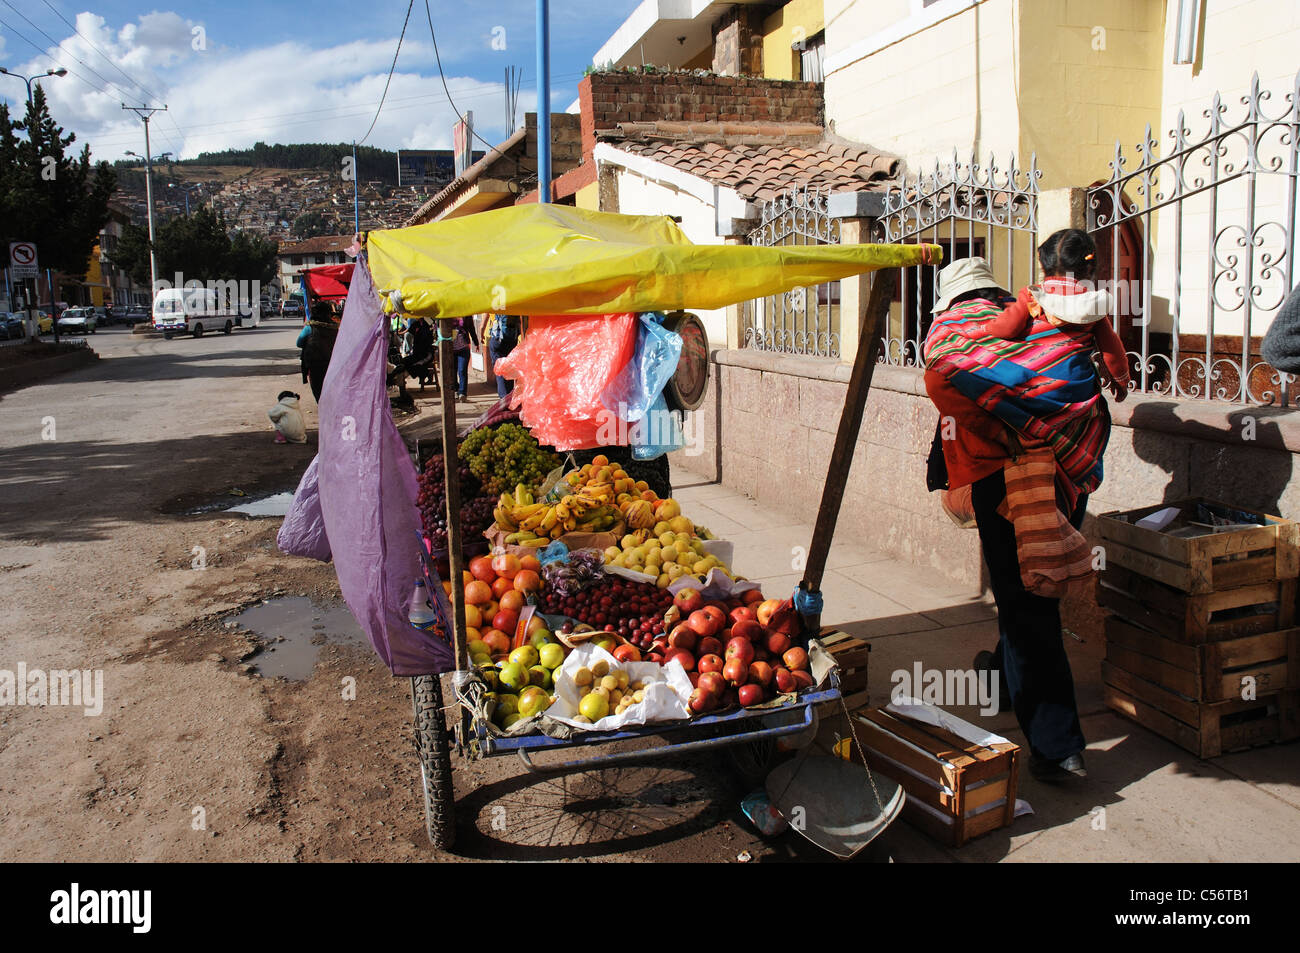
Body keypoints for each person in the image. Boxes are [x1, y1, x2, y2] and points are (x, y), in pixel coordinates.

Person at [923, 256, 1097, 783]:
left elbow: (944, 388)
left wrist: (1006, 439)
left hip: (1009, 480)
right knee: (1023, 592)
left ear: (950, 298)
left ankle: (1058, 747)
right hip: (1070, 468)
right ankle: (999, 679)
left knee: (1029, 605)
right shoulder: (1044, 319)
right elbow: (1086, 383)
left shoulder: (951, 336)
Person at [298, 301, 339, 403]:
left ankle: (322, 407)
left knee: (318, 389)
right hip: (332, 363)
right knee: (331, 388)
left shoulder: (310, 327)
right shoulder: (335, 328)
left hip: (315, 364)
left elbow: (299, 343)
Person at [486, 314, 520, 397]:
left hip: (497, 341)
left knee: (500, 369)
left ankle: (504, 397)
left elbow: (483, 322)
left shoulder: (494, 305)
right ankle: (509, 396)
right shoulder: (513, 306)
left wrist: (482, 329)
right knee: (509, 367)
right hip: (512, 340)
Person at [452, 314, 478, 401]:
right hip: (450, 349)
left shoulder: (467, 314)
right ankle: (455, 389)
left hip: (464, 348)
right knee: (452, 371)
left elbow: (471, 328)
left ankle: (462, 393)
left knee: (462, 370)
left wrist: (476, 342)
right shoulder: (448, 312)